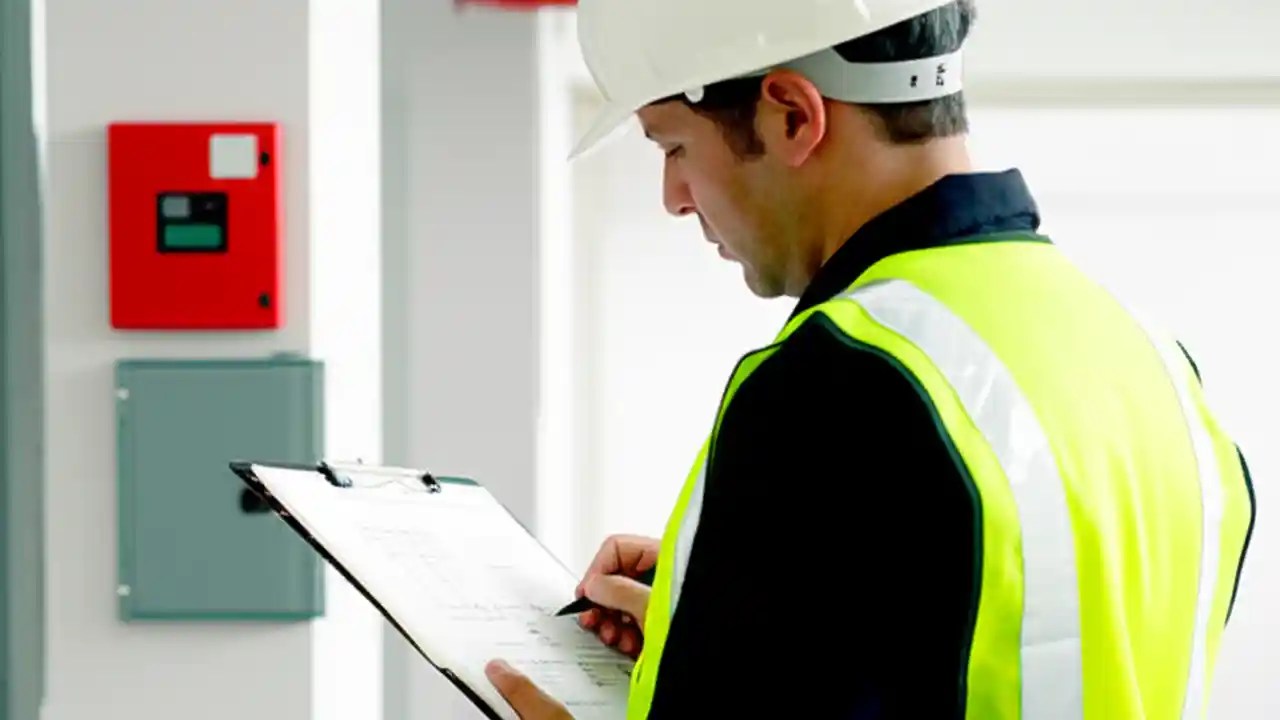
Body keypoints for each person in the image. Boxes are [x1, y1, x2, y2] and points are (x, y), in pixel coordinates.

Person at [486, 0, 1258, 717]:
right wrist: (736, 620)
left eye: (674, 147)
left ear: (792, 115)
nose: (675, 197)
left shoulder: (837, 381)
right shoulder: (1151, 359)